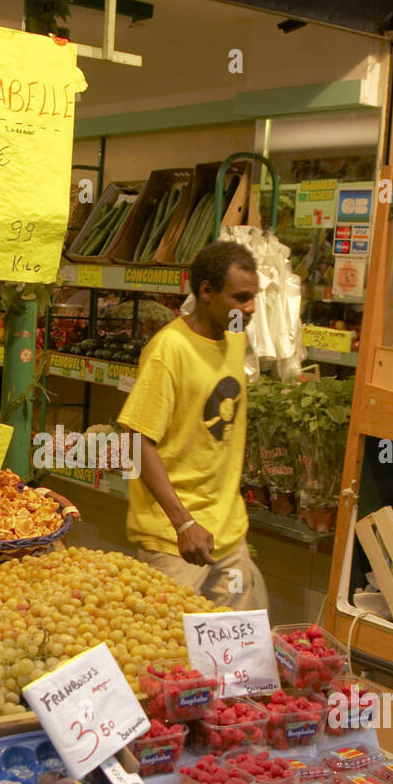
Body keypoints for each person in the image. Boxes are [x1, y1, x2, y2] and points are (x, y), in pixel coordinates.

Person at [117, 240, 269, 612]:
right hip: (174, 543)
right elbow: (136, 440)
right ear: (206, 292)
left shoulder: (235, 340)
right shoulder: (169, 350)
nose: (250, 308)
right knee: (163, 656)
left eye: (254, 297)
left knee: (237, 658)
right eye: (240, 297)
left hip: (228, 535)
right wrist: (184, 524)